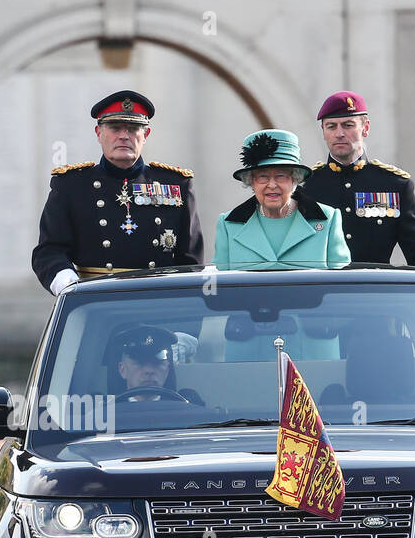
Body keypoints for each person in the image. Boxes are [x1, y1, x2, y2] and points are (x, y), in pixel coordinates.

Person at [33, 90, 203, 295]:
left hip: (159, 301)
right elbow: (49, 250)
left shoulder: (176, 184)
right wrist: (68, 285)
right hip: (94, 300)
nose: (124, 136)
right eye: (115, 128)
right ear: (98, 133)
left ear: (145, 135)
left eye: (133, 129)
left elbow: (190, 259)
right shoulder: (71, 185)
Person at [300, 91, 415, 272]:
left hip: (373, 289)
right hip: (322, 290)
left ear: (365, 128)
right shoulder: (306, 186)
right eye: (331, 126)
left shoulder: (393, 185)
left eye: (348, 125)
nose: (339, 133)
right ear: (324, 132)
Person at [213, 130, 350, 270]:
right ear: (252, 182)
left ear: (294, 180)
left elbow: (341, 282)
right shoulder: (228, 225)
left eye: (280, 176)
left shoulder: (327, 220)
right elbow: (222, 285)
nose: (272, 185)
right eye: (263, 176)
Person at [110, 324, 203, 404]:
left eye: (157, 363)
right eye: (140, 363)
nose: (149, 370)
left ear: (167, 370)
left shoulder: (186, 407)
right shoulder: (106, 414)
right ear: (122, 370)